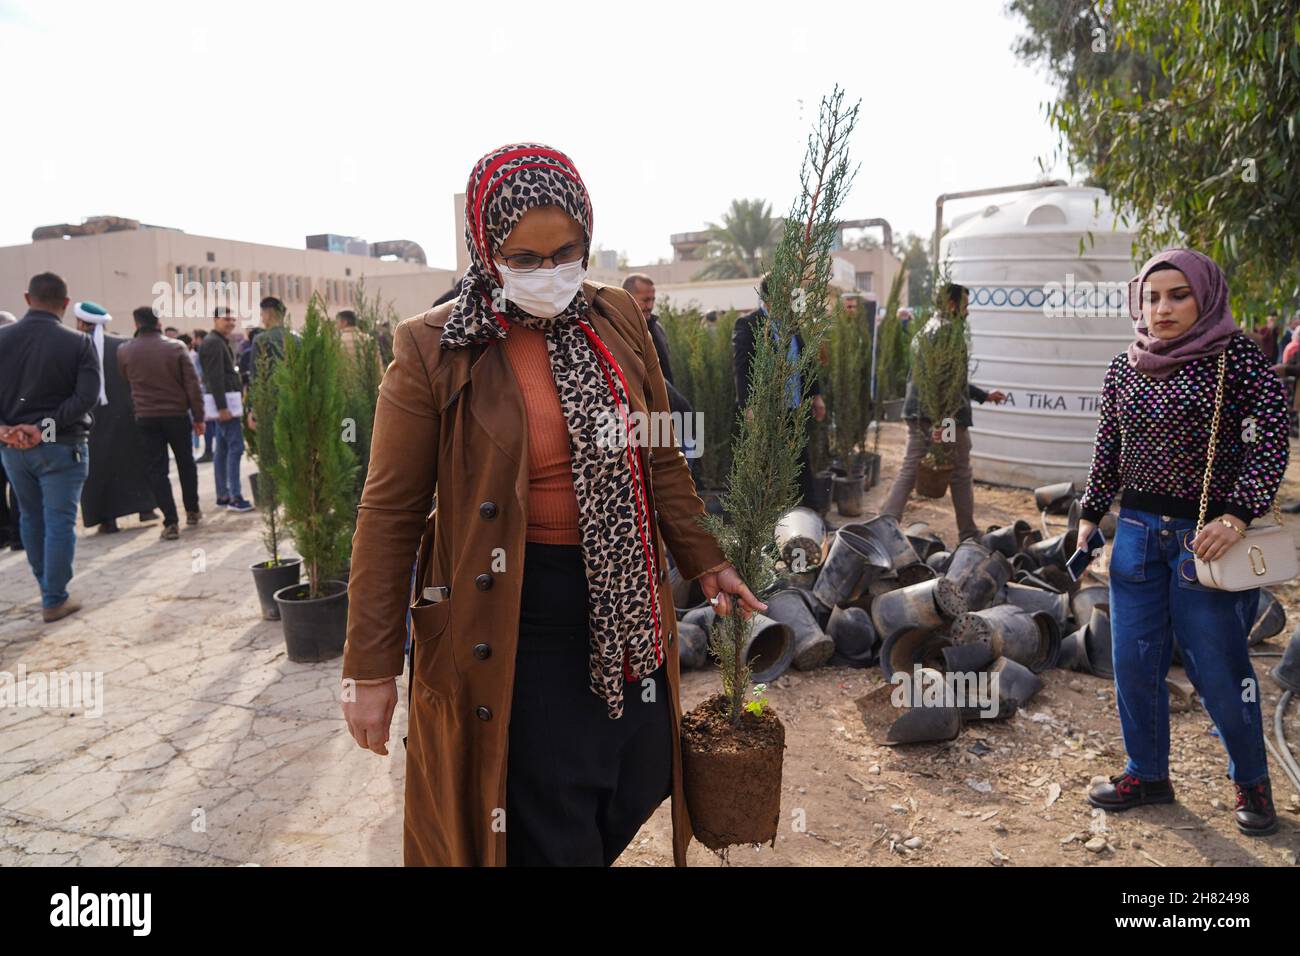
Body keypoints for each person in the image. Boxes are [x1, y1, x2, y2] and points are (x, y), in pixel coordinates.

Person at [340, 143, 765, 868]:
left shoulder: (617, 318)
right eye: (525, 258)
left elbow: (658, 452)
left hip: (625, 603)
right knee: (545, 811)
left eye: (565, 252)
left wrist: (705, 558)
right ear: (485, 248)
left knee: (630, 775)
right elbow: (389, 516)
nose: (549, 273)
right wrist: (371, 668)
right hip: (512, 617)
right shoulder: (435, 347)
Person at [1077, 249, 1287, 836]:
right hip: (1137, 536)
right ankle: (1147, 774)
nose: (1161, 308)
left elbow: (1268, 445)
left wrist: (1237, 516)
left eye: (1177, 295)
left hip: (1207, 545)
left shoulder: (1237, 361)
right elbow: (1109, 449)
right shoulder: (1125, 367)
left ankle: (1252, 782)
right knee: (1134, 665)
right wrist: (1089, 514)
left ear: (1206, 296)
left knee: (1219, 668)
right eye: (1151, 296)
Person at [0, 273, 99, 621]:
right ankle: (54, 597)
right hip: (61, 444)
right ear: (66, 303)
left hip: (14, 448)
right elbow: (86, 397)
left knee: (31, 516)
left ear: (28, 298)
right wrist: (45, 428)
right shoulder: (79, 343)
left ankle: (48, 589)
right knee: (58, 521)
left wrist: (5, 430)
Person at [880, 283, 1008, 541]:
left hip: (919, 412)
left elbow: (948, 380)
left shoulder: (925, 330)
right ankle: (969, 533)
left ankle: (885, 524)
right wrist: (943, 424)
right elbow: (947, 386)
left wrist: (984, 396)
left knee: (911, 467)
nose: (968, 311)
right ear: (951, 305)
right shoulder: (949, 333)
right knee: (960, 471)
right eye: (965, 305)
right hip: (942, 417)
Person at [732, 273, 827, 507]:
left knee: (800, 462)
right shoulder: (748, 324)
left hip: (794, 408)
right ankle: (770, 526)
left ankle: (811, 517)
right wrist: (749, 406)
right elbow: (742, 369)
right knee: (768, 469)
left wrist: (816, 395)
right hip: (766, 411)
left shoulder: (791, 324)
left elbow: (805, 363)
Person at [117, 306, 207, 539]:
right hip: (176, 415)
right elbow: (192, 386)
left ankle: (170, 521)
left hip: (146, 417)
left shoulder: (125, 351)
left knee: (157, 470)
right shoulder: (176, 347)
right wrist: (198, 417)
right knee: (186, 463)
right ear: (158, 322)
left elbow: (127, 382)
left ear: (136, 324)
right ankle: (192, 510)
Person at [72, 301, 157, 534]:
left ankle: (105, 518)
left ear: (81, 323)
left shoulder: (75, 348)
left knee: (98, 468)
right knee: (133, 460)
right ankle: (145, 507)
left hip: (90, 419)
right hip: (126, 415)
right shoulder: (123, 344)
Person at [198, 307, 254, 512]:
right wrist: (222, 407)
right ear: (215, 320)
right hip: (225, 405)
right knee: (235, 447)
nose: (230, 322)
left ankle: (223, 494)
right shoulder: (213, 343)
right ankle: (235, 496)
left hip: (226, 402)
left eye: (233, 319)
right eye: (226, 319)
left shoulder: (219, 341)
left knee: (221, 449)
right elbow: (215, 377)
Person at [335, 308, 384, 378]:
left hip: (344, 384)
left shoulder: (337, 342)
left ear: (344, 322)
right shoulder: (368, 340)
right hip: (366, 383)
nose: (336, 326)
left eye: (337, 322)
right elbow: (378, 368)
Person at [190, 329, 214, 462]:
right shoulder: (207, 351)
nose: (193, 341)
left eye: (194, 338)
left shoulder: (201, 353)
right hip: (209, 392)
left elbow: (200, 375)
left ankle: (209, 451)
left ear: (199, 338)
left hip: (205, 393)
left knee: (209, 424)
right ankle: (210, 450)